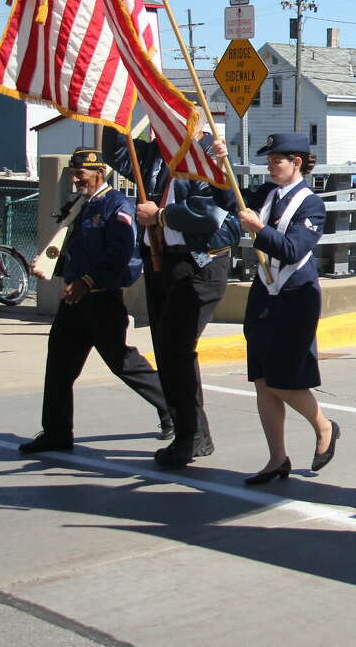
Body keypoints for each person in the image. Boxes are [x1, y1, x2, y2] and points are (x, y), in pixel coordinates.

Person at [105, 117, 241, 469]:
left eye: (169, 120)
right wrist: (121, 109)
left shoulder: (205, 156)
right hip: (161, 262)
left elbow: (210, 215)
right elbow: (116, 152)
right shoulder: (155, 156)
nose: (159, 128)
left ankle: (191, 437)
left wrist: (161, 216)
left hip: (199, 263)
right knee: (169, 352)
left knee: (175, 349)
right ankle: (193, 434)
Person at [20, 148, 171, 455]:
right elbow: (73, 249)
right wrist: (50, 264)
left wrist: (88, 282)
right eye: (74, 173)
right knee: (59, 367)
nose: (76, 179)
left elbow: (120, 255)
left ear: (99, 173)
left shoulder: (117, 206)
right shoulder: (81, 206)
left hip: (102, 301)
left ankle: (172, 410)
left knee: (123, 363)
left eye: (81, 174)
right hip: (74, 300)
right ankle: (56, 433)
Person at [236, 132, 338, 484]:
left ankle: (323, 425)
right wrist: (215, 155)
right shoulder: (266, 194)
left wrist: (258, 229)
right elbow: (227, 195)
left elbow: (293, 249)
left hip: (296, 295)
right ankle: (277, 458)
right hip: (264, 293)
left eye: (276, 160)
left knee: (284, 379)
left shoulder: (312, 205)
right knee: (263, 381)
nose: (270, 166)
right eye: (268, 160)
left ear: (296, 162)